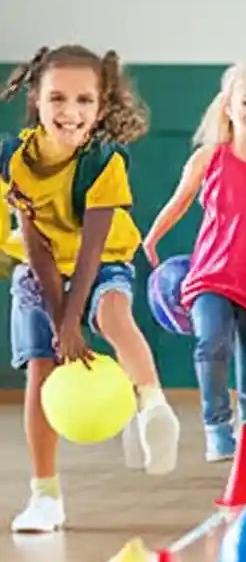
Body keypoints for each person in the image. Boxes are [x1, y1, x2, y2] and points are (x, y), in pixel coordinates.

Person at [0, 45, 180, 533]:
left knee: (113, 316)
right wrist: (60, 324)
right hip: (40, 271)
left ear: (101, 107)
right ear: (36, 99)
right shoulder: (14, 157)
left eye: (84, 101)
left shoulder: (105, 161)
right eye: (58, 98)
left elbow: (91, 251)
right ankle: (44, 496)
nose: (71, 112)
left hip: (101, 260)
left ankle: (152, 407)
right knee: (41, 372)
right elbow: (35, 247)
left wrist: (74, 317)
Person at [143, 62, 246, 487]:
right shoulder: (209, 157)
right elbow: (179, 202)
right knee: (211, 342)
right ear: (228, 107)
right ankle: (217, 427)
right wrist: (152, 237)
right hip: (210, 277)